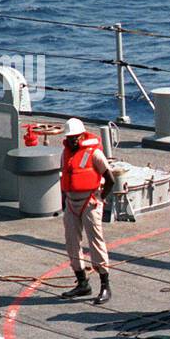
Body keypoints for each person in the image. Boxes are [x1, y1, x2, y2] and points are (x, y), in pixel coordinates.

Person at [58, 118, 116, 304]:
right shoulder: (65, 153)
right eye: (70, 137)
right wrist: (64, 202)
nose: (73, 140)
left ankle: (105, 285)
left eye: (75, 137)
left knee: (96, 242)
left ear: (82, 135)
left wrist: (100, 198)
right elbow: (64, 178)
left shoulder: (94, 153)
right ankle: (82, 283)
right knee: (71, 243)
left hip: (89, 202)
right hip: (71, 203)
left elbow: (110, 179)